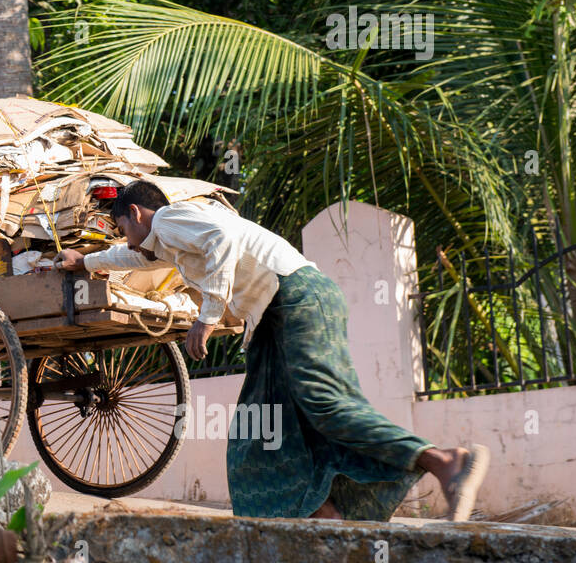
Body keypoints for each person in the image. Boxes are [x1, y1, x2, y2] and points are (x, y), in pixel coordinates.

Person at [59, 180, 490, 522]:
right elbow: (137, 259)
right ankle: (326, 516)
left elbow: (224, 240)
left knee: (324, 404)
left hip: (298, 297)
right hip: (271, 316)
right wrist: (87, 262)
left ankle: (442, 460)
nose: (127, 241)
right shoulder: (167, 239)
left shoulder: (171, 219)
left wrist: (207, 316)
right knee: (257, 430)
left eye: (123, 230)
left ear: (136, 213)